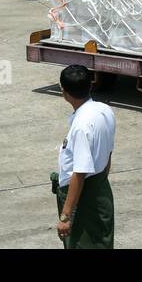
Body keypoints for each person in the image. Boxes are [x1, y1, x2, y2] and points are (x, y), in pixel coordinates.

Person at [52, 64, 116, 249]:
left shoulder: (81, 126)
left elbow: (79, 174)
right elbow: (108, 152)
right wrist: (99, 184)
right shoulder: (104, 110)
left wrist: (65, 216)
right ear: (90, 85)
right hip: (99, 186)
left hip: (82, 197)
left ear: (63, 91)